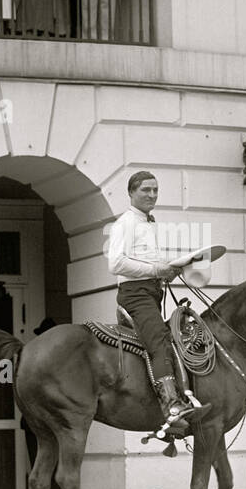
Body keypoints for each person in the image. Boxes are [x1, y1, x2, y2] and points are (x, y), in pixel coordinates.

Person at [105, 170, 198, 429]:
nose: (152, 195)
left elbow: (144, 262)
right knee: (159, 340)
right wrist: (157, 270)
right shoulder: (125, 223)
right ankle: (171, 405)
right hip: (135, 295)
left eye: (155, 190)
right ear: (131, 192)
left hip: (150, 292)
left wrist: (168, 271)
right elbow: (116, 263)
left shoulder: (148, 223)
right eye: (146, 190)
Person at [22, 316, 72, 489]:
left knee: (59, 466)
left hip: (57, 423)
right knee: (40, 466)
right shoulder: (34, 358)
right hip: (34, 422)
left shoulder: (65, 361)